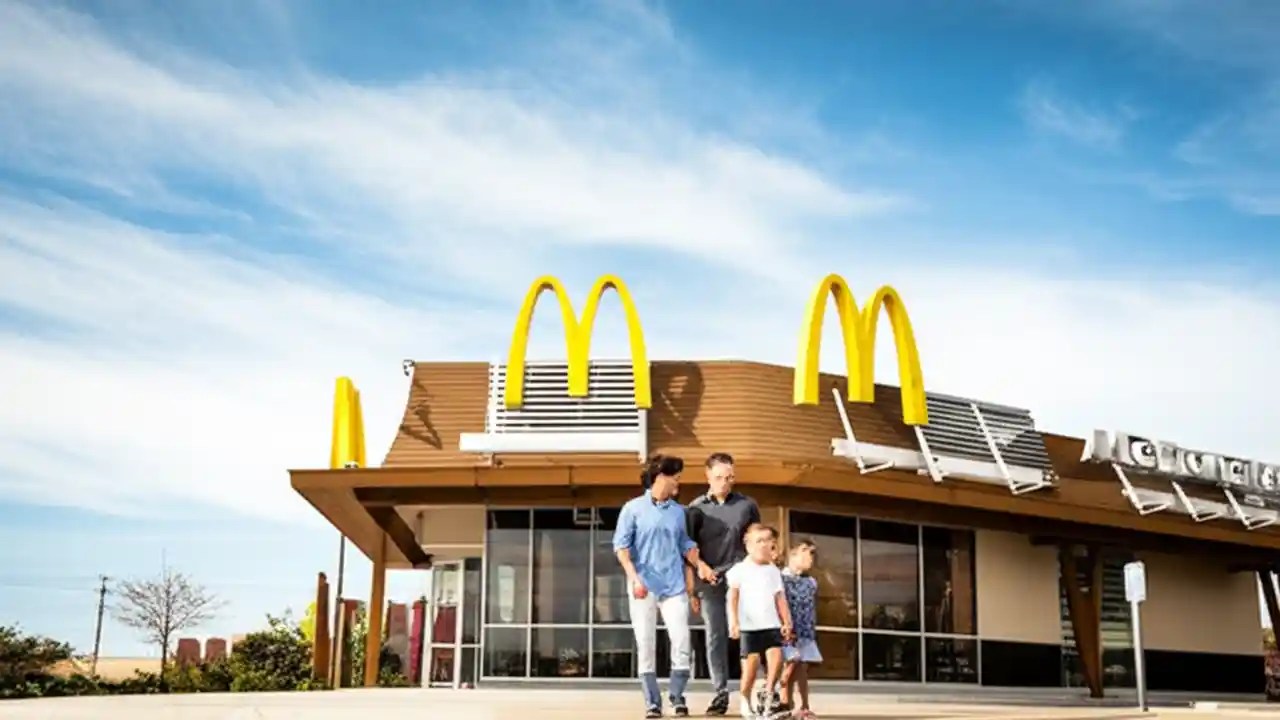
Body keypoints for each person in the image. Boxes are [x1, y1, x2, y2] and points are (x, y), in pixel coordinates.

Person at [614, 454, 715, 719]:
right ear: (661, 477)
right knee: (645, 642)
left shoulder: (679, 513)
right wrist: (634, 578)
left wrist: (701, 565)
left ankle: (677, 696)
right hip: (643, 586)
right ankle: (652, 702)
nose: (679, 483)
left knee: (681, 640)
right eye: (676, 477)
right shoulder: (632, 509)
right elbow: (622, 548)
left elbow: (685, 545)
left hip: (674, 586)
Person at [686, 452, 761, 715]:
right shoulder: (695, 509)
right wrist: (696, 579)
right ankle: (720, 693)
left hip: (743, 580)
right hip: (711, 582)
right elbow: (688, 548)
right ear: (708, 476)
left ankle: (748, 694)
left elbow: (757, 542)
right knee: (715, 637)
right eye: (719, 477)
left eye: (730, 477)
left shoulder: (747, 505)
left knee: (748, 636)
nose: (725, 482)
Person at [727, 523, 792, 719]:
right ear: (748, 545)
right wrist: (734, 622)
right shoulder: (739, 569)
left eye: (767, 541)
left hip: (771, 624)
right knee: (751, 666)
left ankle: (768, 694)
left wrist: (787, 621)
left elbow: (780, 598)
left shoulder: (773, 570)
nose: (764, 545)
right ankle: (745, 699)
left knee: (776, 658)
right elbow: (732, 597)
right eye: (759, 541)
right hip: (749, 626)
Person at [779, 539, 821, 719]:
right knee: (787, 668)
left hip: (805, 632)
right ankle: (784, 704)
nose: (810, 558)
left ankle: (803, 705)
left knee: (802, 669)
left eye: (812, 554)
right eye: (806, 553)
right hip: (788, 632)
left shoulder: (811, 582)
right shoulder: (782, 579)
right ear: (794, 555)